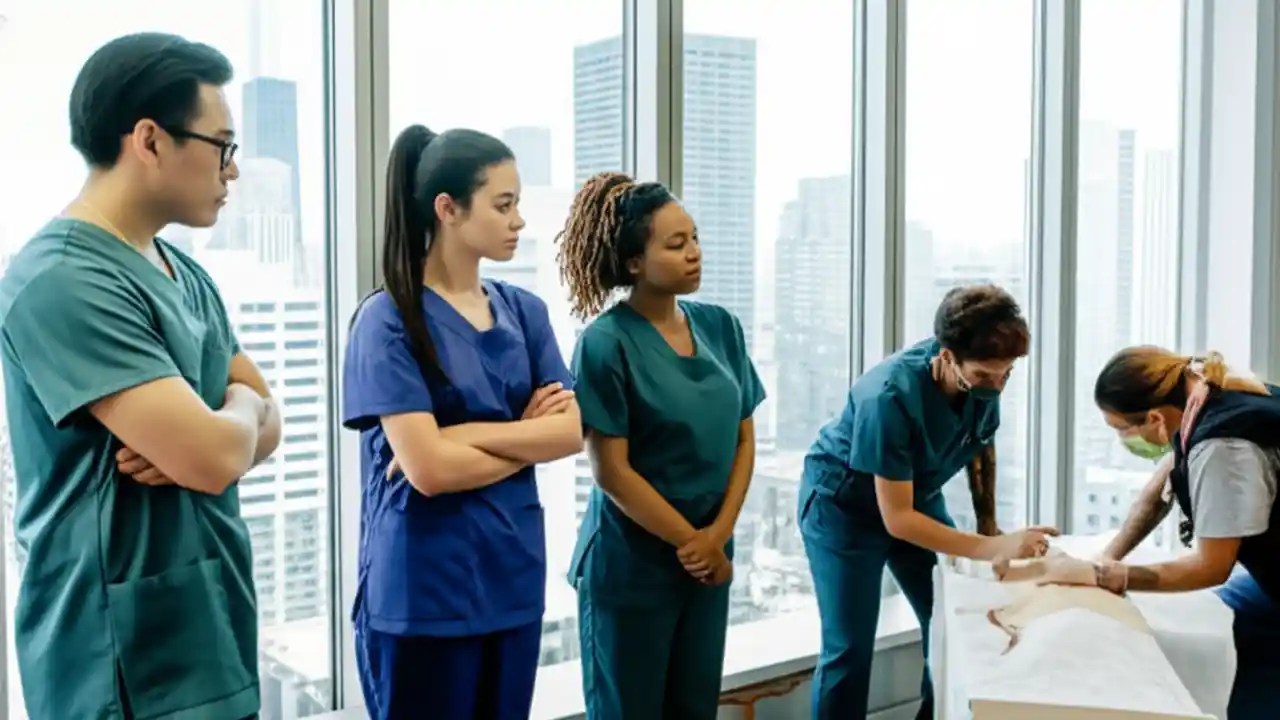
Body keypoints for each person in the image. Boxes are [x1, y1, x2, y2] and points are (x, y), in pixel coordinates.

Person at [0, 33, 280, 719]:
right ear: (150, 140)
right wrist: (228, 426)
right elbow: (215, 457)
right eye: (222, 147)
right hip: (117, 658)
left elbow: (264, 422)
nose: (232, 171)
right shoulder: (62, 279)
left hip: (209, 629)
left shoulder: (183, 273)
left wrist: (231, 417)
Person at [341, 124, 583, 719]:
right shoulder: (388, 319)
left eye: (518, 203)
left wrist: (465, 434)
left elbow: (569, 432)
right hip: (423, 594)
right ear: (447, 209)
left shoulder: (524, 312)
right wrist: (518, 437)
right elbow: (429, 470)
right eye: (503, 205)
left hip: (512, 582)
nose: (519, 221)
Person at [557, 171, 765, 718]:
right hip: (633, 565)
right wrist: (691, 543)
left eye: (694, 237)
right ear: (632, 264)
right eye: (676, 244)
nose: (694, 253)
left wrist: (716, 538)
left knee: (694, 707)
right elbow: (612, 472)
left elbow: (744, 437)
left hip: (708, 560)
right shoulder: (605, 344)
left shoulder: (722, 326)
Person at [799, 284, 1058, 719]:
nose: (995, 386)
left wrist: (988, 529)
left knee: (946, 623)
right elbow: (897, 519)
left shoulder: (983, 383)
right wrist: (992, 547)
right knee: (849, 648)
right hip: (844, 509)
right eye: (983, 377)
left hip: (916, 495)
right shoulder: (887, 396)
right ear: (946, 356)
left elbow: (981, 448)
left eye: (1006, 375)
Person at [1038, 347, 1280, 719]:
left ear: (1153, 418)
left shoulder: (1222, 447)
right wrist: (1106, 558)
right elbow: (1157, 493)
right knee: (1222, 623)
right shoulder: (1202, 390)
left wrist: (1108, 578)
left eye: (1121, 430)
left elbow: (1211, 566)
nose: (1122, 440)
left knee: (1244, 661)